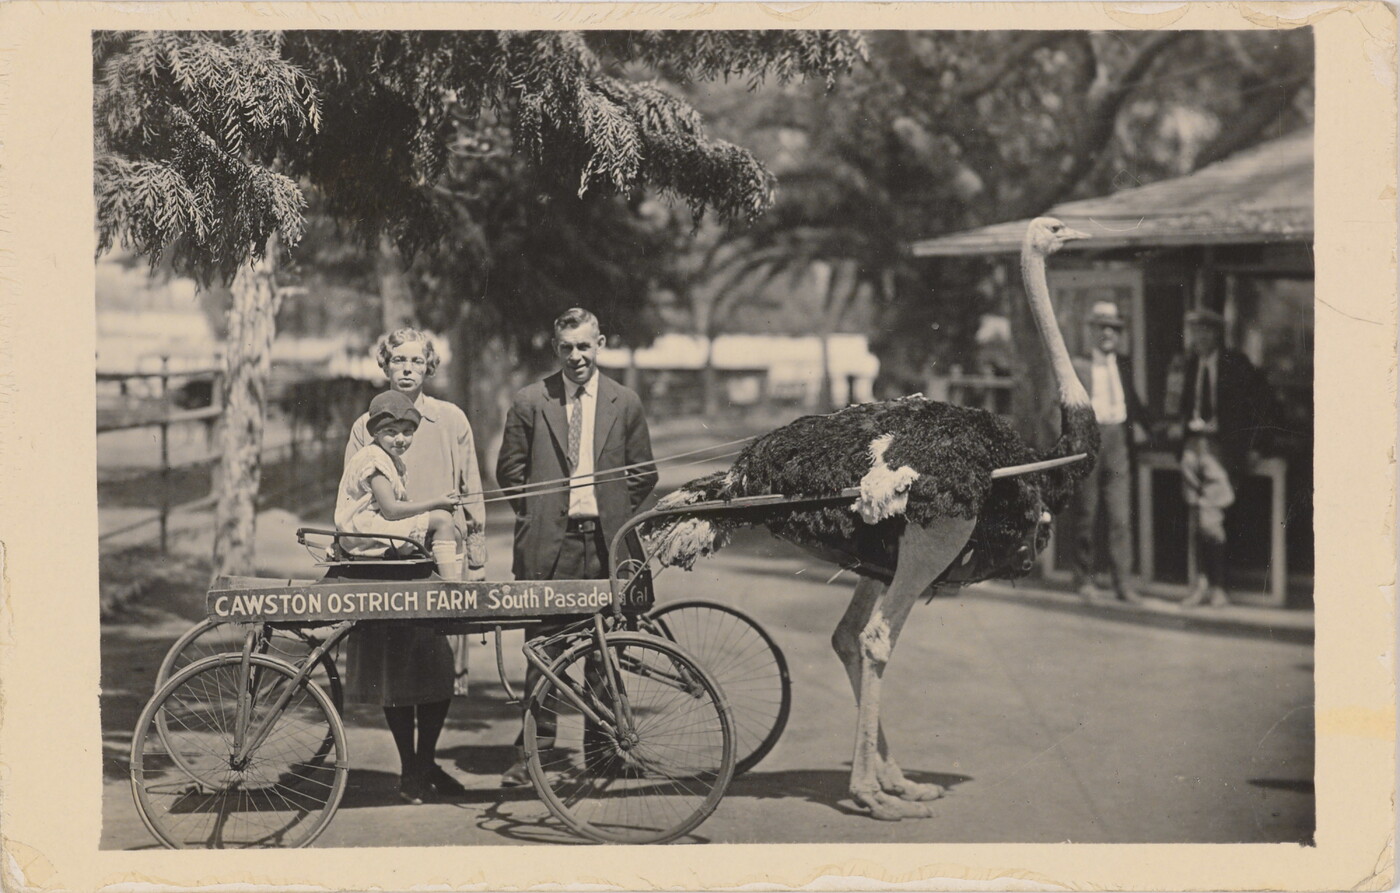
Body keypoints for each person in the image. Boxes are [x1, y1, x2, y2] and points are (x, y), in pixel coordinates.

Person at [495, 307, 658, 786]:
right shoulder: (531, 400)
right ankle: (533, 756)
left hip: (607, 546)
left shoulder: (624, 402)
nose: (576, 357)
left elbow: (644, 472)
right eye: (566, 348)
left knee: (606, 653)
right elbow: (510, 473)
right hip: (551, 546)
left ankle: (606, 752)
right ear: (556, 349)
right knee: (545, 650)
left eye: (584, 346)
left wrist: (611, 511)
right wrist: (539, 516)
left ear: (600, 343)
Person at [342, 327, 489, 804]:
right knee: (397, 665)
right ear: (385, 366)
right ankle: (410, 769)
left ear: (430, 366)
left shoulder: (450, 420)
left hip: (443, 553)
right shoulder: (367, 425)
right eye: (398, 360)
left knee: (440, 664)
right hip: (390, 556)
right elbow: (355, 491)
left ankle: (426, 762)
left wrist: (478, 553)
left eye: (416, 360)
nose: (407, 368)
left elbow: (471, 488)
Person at [1160, 307, 1274, 608]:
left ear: (1216, 333)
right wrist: (1176, 429)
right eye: (1195, 330)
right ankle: (1200, 585)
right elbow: (1176, 404)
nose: (1199, 337)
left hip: (1219, 449)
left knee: (1211, 520)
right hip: (1191, 446)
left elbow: (1264, 404)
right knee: (1196, 516)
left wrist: (1256, 445)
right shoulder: (1187, 364)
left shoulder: (1235, 365)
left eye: (1205, 330)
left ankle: (1219, 586)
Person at [1070, 301, 1150, 604]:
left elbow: (1134, 403)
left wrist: (1151, 429)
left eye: (1113, 329)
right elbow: (1059, 408)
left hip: (1118, 444)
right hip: (1090, 441)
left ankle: (1123, 584)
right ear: (1090, 331)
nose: (1107, 334)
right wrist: (1073, 444)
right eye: (1101, 327)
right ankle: (1085, 580)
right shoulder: (1079, 365)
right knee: (1087, 514)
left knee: (1120, 517)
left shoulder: (1124, 364)